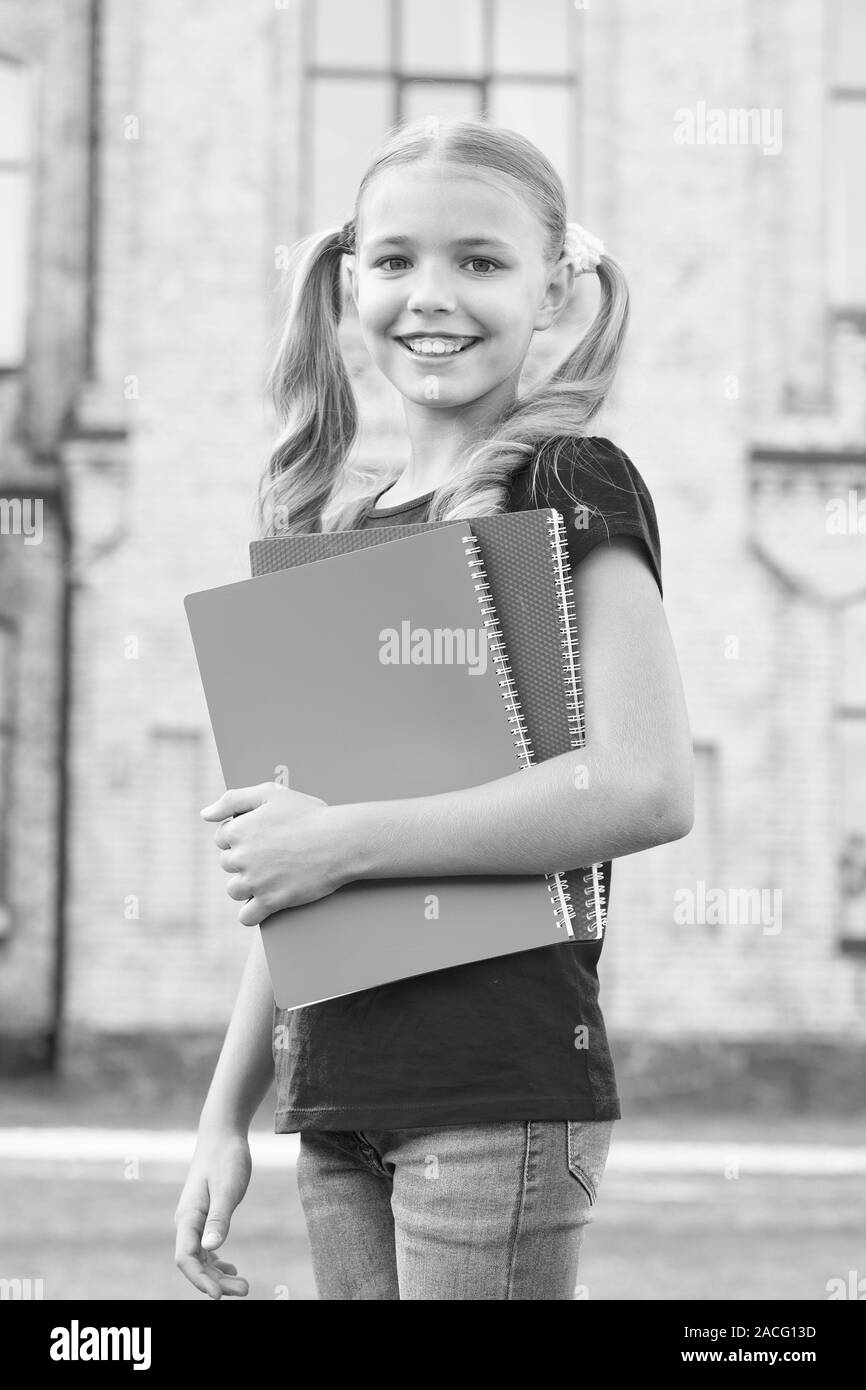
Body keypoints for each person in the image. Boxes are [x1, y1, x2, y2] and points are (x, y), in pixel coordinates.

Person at [174, 118, 694, 1301]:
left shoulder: (571, 480)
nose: (432, 296)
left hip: (494, 1098)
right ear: (352, 277)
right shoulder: (342, 534)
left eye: (481, 260)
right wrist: (223, 1116)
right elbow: (290, 873)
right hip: (341, 1104)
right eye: (398, 259)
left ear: (553, 287)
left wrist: (340, 839)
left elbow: (645, 786)